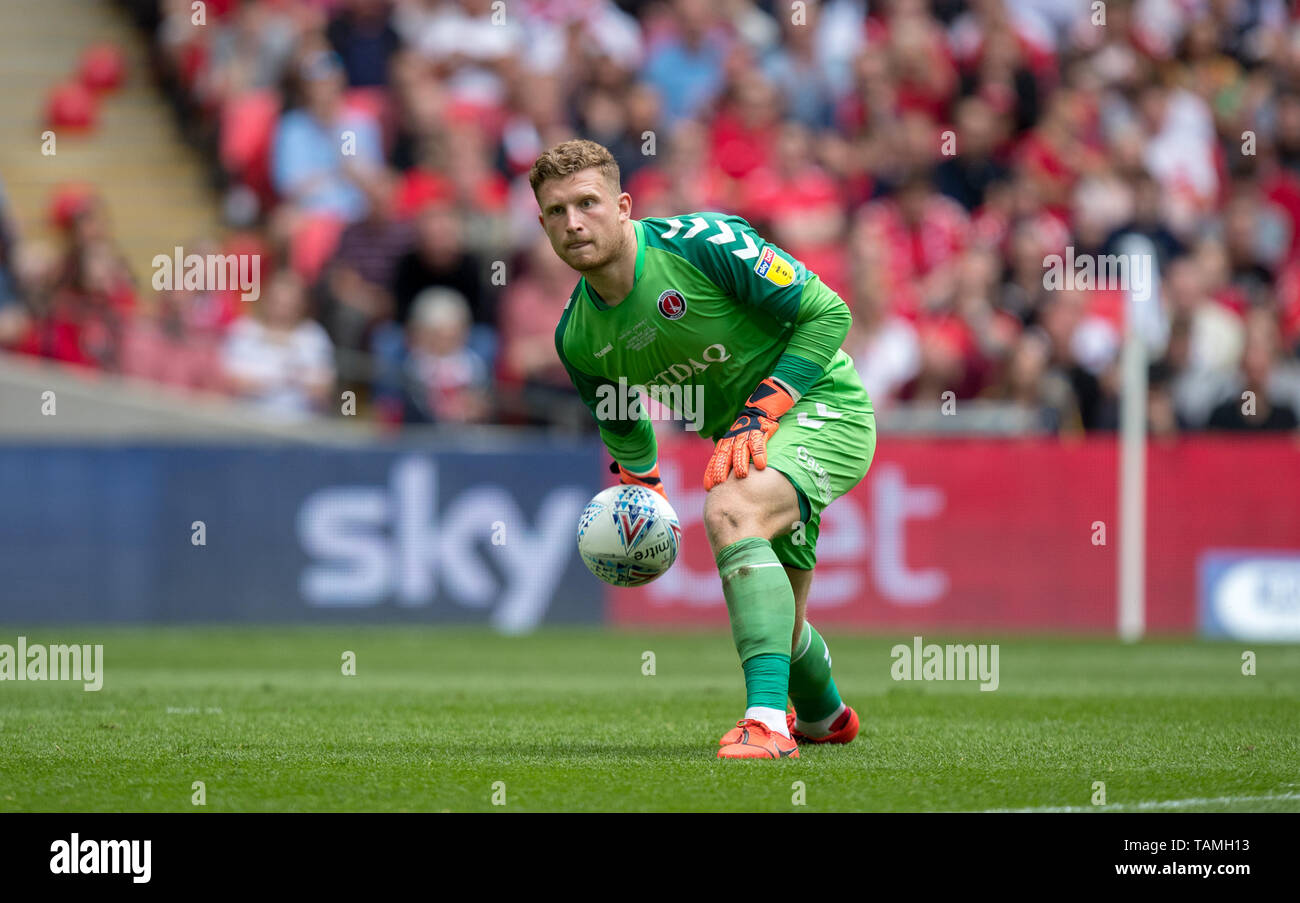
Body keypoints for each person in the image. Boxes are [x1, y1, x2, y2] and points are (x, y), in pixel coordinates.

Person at [534, 138, 876, 760]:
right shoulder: (577, 336)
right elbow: (621, 416)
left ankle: (767, 724)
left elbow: (828, 312)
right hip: (748, 444)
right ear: (542, 225)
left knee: (728, 511)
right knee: (783, 625)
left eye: (587, 203)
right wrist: (644, 487)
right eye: (556, 212)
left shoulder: (704, 243)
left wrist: (764, 407)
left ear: (624, 205)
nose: (574, 223)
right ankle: (825, 718)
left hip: (822, 406)